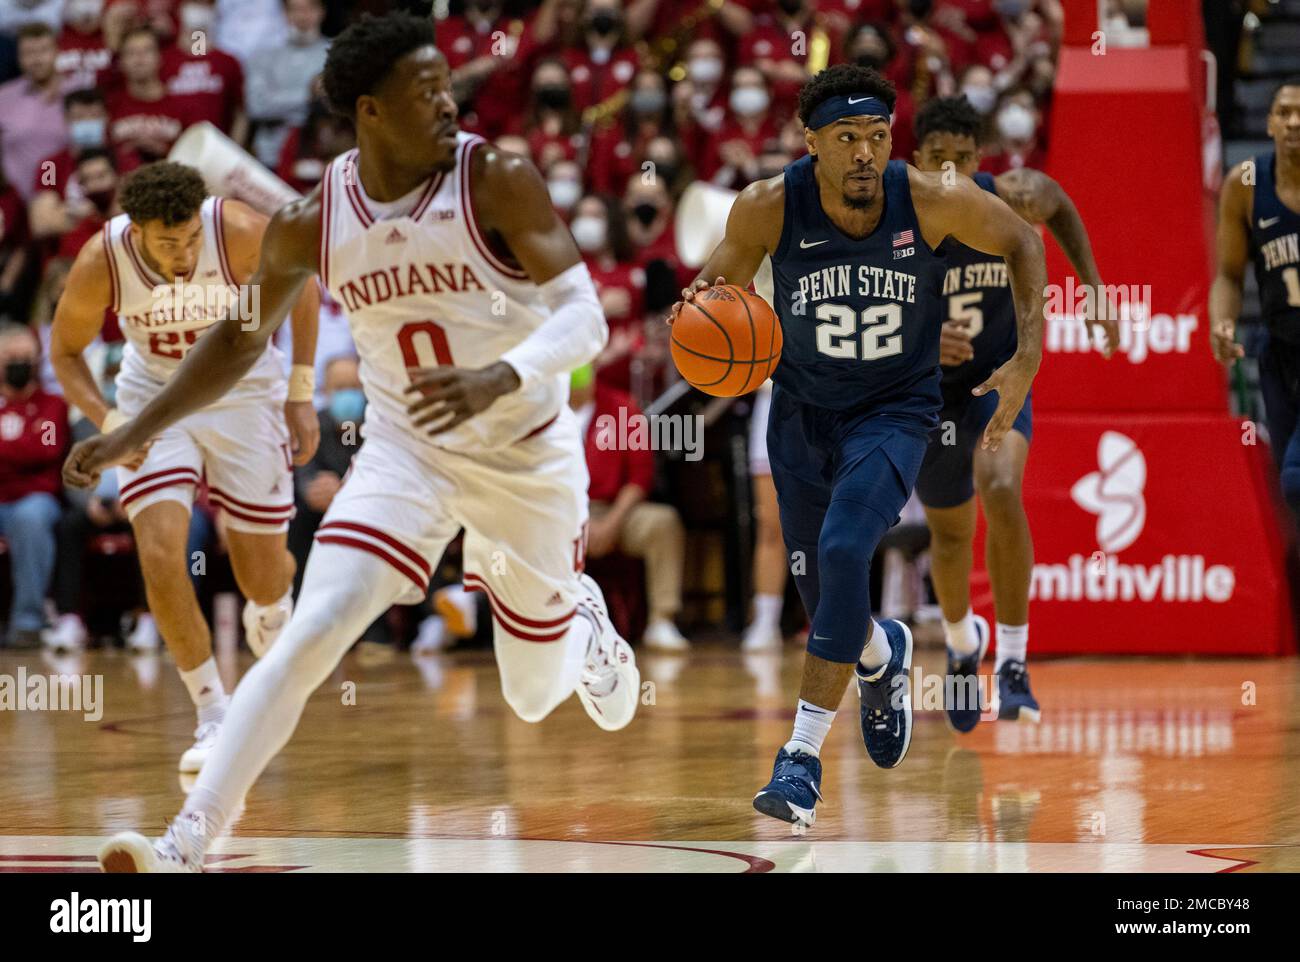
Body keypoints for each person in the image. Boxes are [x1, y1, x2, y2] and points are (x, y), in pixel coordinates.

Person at [68, 12, 640, 873]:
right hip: (407, 456)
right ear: (370, 111)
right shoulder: (310, 218)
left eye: (449, 84)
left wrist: (502, 374)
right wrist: (134, 430)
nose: (450, 102)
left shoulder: (498, 178)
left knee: (527, 698)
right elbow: (236, 338)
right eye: (426, 91)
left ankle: (580, 615)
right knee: (308, 635)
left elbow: (584, 315)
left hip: (524, 457)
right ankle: (184, 842)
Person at [672, 63, 1047, 829]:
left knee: (846, 552)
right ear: (811, 142)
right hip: (801, 416)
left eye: (877, 136)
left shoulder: (931, 198)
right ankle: (881, 656)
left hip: (894, 412)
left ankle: (801, 761)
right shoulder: (768, 208)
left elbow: (1020, 240)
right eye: (846, 138)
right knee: (826, 597)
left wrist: (1028, 357)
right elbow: (713, 296)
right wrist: (699, 317)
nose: (865, 153)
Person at [50, 160, 321, 773]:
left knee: (261, 579)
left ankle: (274, 603)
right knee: (161, 552)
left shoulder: (237, 231)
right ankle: (212, 714)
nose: (183, 251)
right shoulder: (103, 259)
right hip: (153, 401)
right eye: (168, 242)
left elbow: (302, 282)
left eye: (190, 238)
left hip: (246, 393)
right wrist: (112, 422)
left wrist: (300, 390)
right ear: (137, 230)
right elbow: (64, 350)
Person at [910, 95, 1115, 728]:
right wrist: (919, 337)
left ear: (981, 159)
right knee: (948, 535)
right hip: (927, 392)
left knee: (1000, 487)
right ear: (916, 158)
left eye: (964, 159)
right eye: (938, 159)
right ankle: (963, 644)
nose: (951, 172)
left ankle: (1017, 662)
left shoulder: (1010, 195)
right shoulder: (894, 217)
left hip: (999, 377)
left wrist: (1093, 286)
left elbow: (1058, 202)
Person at [1212, 79, 1300, 515]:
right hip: (1279, 351)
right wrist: (1223, 322)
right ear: (1269, 124)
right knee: (1286, 492)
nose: (1294, 122)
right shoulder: (1245, 184)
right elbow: (1228, 275)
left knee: (1295, 479)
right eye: (1283, 113)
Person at [570, 363, 688, 650]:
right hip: (564, 515)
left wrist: (611, 523)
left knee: (663, 522)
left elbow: (639, 477)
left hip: (615, 511)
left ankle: (662, 620)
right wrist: (579, 523)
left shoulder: (621, 406)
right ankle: (547, 623)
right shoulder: (544, 413)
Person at [0, 321, 68, 649]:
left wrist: (8, 449)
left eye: (25, 357)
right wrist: (23, 445)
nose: (18, 364)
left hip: (35, 499)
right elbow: (33, 447)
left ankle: (26, 623)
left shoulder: (52, 405)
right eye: (11, 357)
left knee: (30, 521)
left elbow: (48, 448)